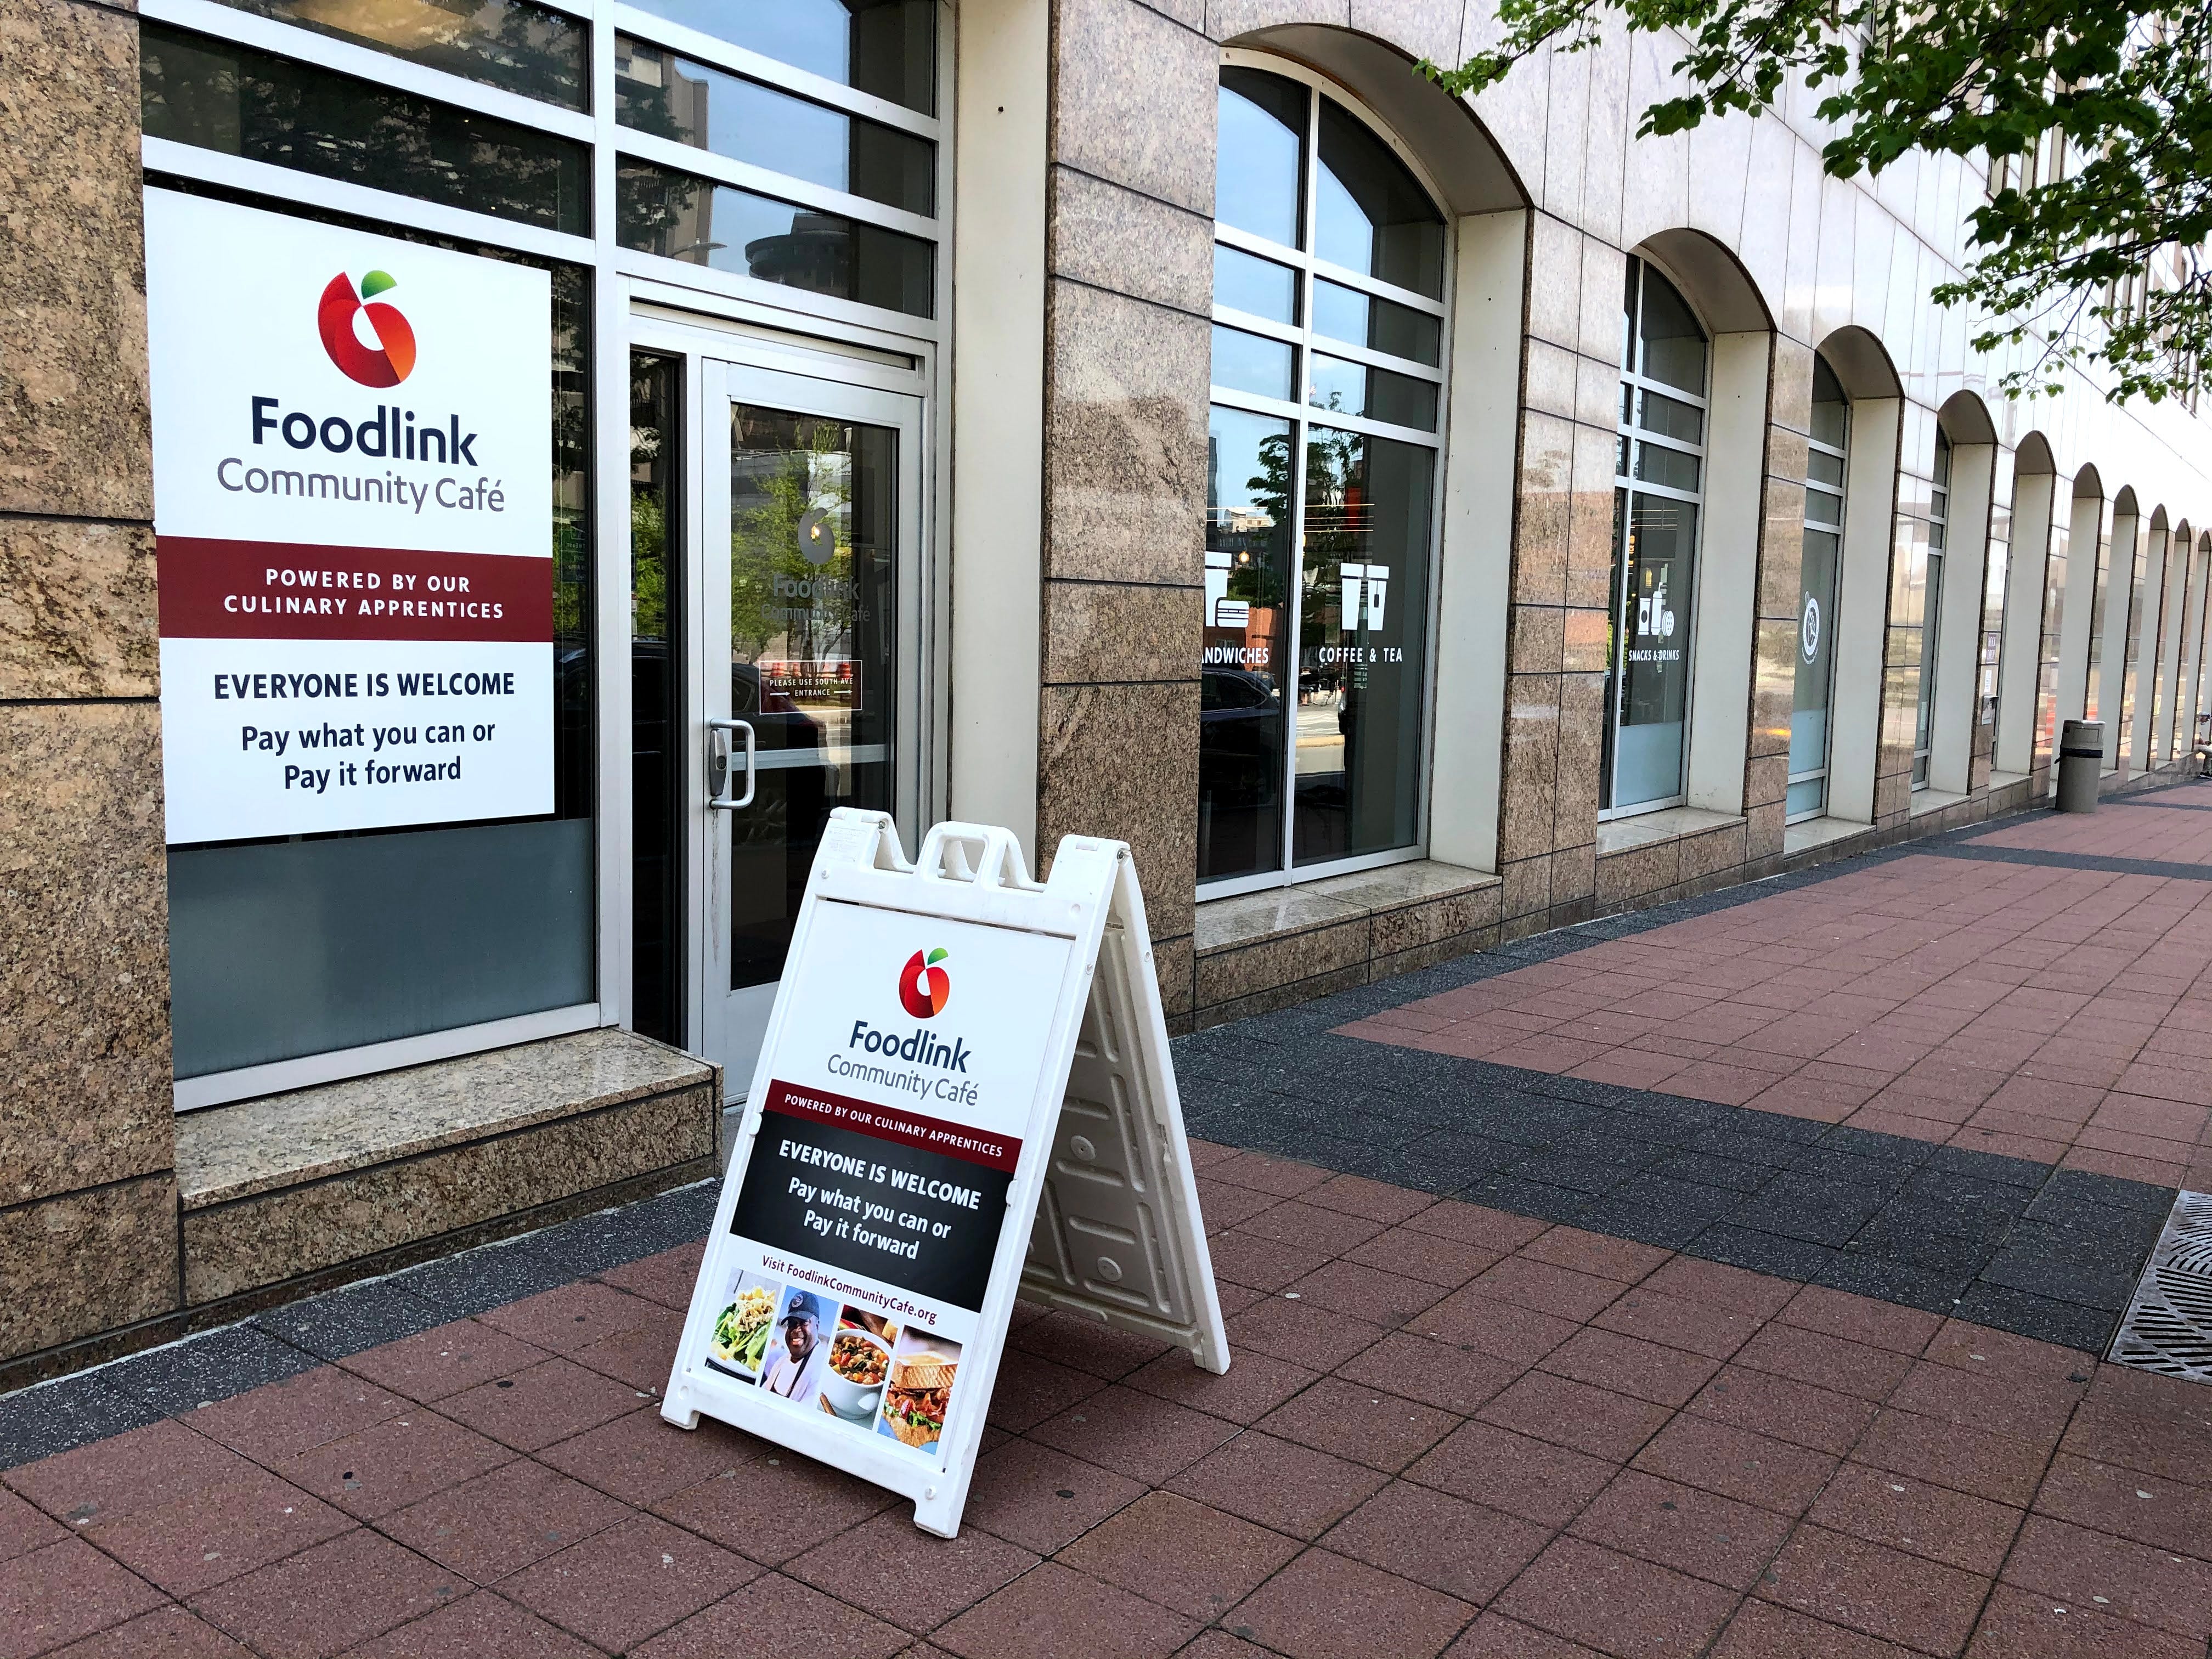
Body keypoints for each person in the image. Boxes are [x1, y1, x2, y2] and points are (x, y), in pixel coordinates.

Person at [759, 1291, 830, 1405]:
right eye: (791, 1323)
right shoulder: (781, 1362)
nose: (796, 1330)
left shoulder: (819, 1372)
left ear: (817, 1326)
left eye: (804, 1322)